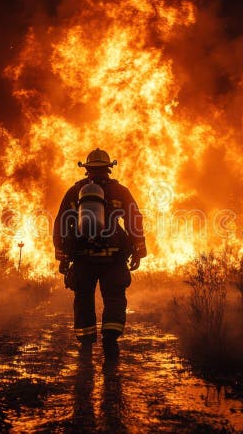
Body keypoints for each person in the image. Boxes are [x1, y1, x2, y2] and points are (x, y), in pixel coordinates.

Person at [53, 148, 147, 356]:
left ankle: (86, 343)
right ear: (108, 169)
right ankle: (110, 340)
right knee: (114, 298)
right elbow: (134, 221)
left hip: (83, 258)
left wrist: (62, 256)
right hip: (113, 258)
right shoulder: (120, 191)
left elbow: (61, 223)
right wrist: (138, 250)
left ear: (87, 169)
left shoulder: (75, 191)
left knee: (83, 299)